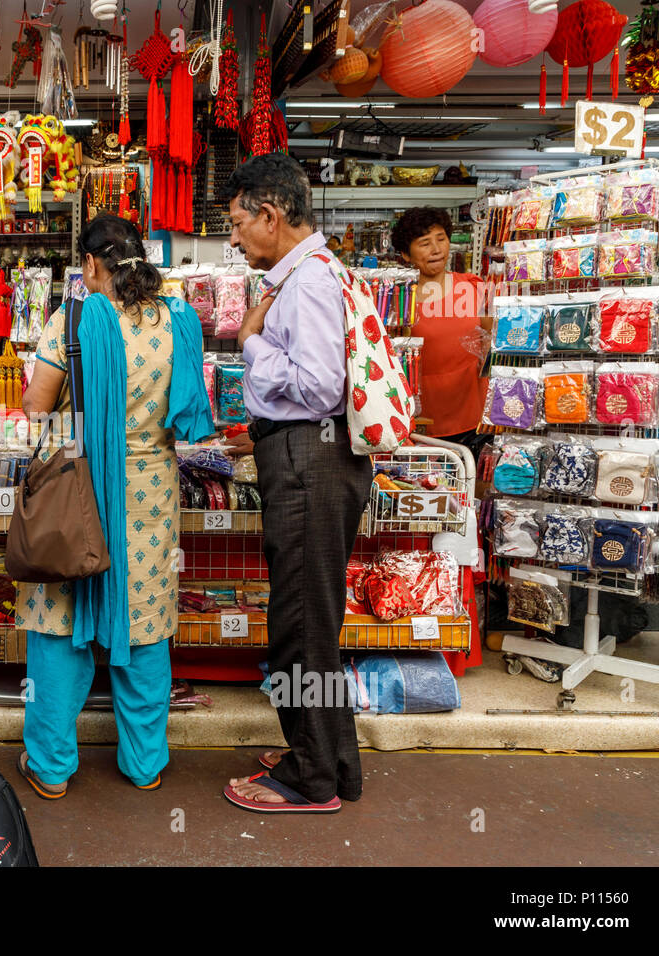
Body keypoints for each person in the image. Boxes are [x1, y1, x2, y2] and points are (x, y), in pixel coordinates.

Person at [15, 213, 214, 799]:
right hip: (151, 490)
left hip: (77, 490)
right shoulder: (178, 320)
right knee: (146, 624)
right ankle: (145, 763)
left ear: (93, 265)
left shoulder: (72, 319)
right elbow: (188, 418)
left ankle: (51, 769)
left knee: (60, 622)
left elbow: (35, 405)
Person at [220, 153, 370, 814]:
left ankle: (310, 779)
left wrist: (252, 343)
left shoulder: (305, 281)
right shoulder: (311, 272)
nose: (233, 237)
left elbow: (318, 386)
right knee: (314, 623)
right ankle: (332, 759)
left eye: (236, 222)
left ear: (270, 215)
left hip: (310, 458)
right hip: (315, 459)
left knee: (300, 625)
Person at [391, 206, 490, 462]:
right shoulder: (398, 302)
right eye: (424, 243)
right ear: (405, 254)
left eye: (441, 239)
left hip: (475, 416)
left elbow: (492, 345)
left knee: (473, 491)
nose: (436, 249)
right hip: (422, 424)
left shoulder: (472, 286)